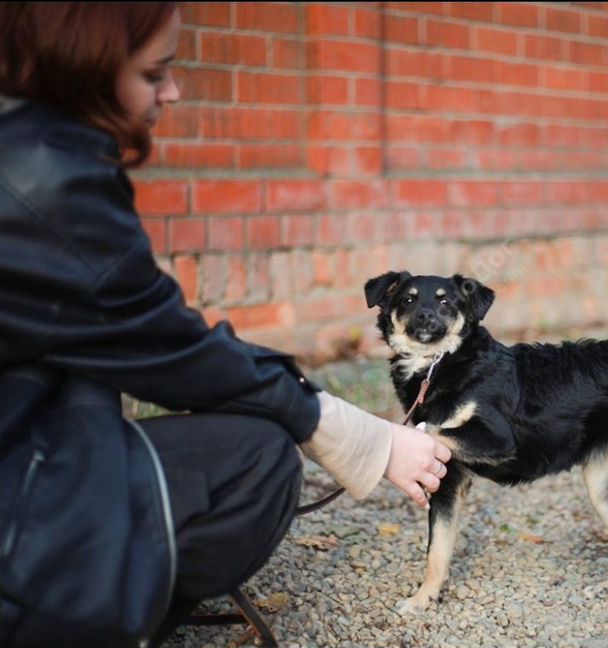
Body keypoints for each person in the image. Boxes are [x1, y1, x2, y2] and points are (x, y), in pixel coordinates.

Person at [0, 3, 451, 647]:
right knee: (256, 460)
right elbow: (177, 354)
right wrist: (367, 439)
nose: (173, 92)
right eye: (155, 73)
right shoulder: (41, 179)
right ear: (84, 64)